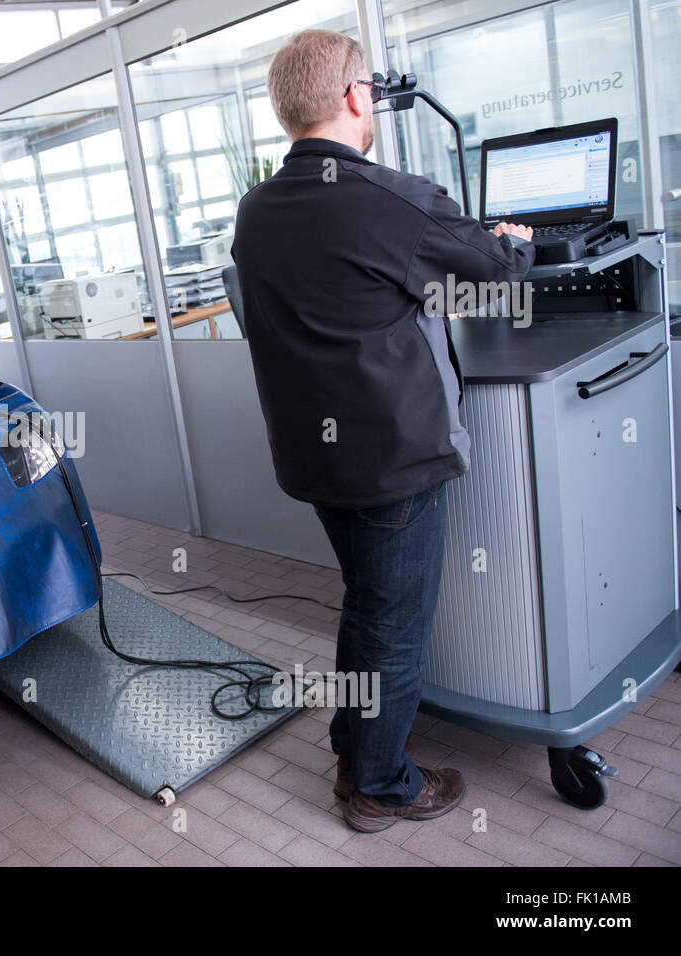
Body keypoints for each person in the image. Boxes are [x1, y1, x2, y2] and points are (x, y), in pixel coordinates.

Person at [230, 28, 535, 832]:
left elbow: (351, 296)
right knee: (394, 628)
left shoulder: (256, 209)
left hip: (315, 460)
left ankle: (352, 743)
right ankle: (381, 786)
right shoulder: (387, 196)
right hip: (393, 461)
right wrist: (515, 247)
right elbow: (494, 276)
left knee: (367, 605)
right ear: (358, 96)